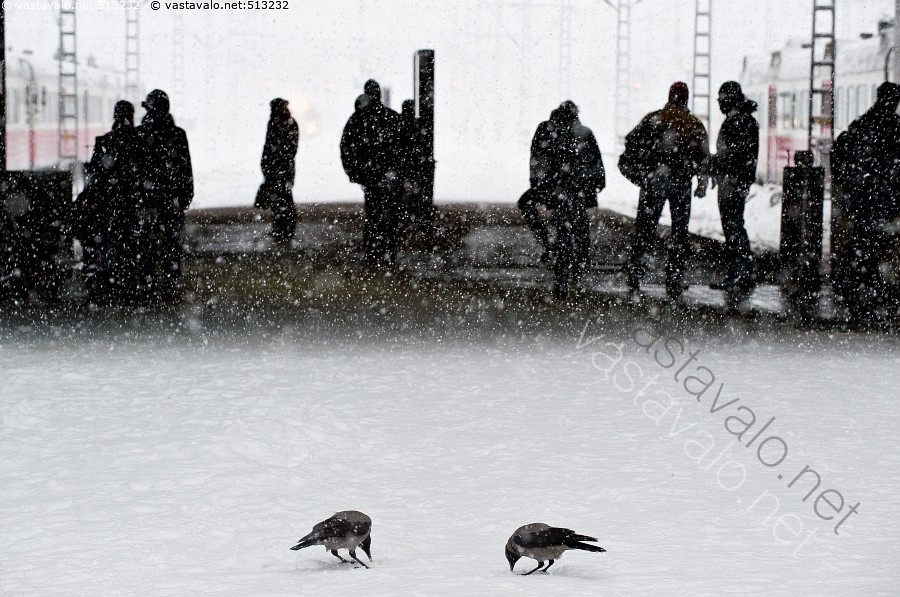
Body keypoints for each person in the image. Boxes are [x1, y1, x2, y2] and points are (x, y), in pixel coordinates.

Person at [626, 82, 710, 300]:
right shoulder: (693, 124)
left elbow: (631, 142)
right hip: (681, 183)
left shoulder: (655, 119)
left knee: (645, 229)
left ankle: (636, 274)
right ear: (686, 99)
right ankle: (674, 279)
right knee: (679, 232)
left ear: (670, 96)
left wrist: (642, 172)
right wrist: (701, 183)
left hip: (654, 181)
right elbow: (703, 156)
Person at [832, 81, 900, 324]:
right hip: (882, 199)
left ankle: (856, 288)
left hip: (864, 199)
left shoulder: (862, 124)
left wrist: (851, 187)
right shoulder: (893, 127)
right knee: (872, 246)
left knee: (865, 244)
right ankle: (864, 290)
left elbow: (840, 154)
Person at [82, 100, 143, 304]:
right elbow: (144, 174)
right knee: (131, 248)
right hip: (131, 205)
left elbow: (95, 174)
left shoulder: (105, 142)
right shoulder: (139, 142)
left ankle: (110, 287)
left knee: (109, 247)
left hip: (108, 205)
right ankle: (129, 290)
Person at [137, 89, 193, 302]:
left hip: (147, 200)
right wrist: (185, 196)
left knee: (147, 244)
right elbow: (186, 168)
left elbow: (137, 169)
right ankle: (169, 285)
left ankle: (149, 284)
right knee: (171, 244)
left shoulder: (141, 134)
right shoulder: (177, 134)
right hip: (171, 198)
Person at [340, 80, 403, 266]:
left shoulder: (358, 118)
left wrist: (354, 172)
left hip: (371, 177)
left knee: (373, 216)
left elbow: (346, 147)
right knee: (390, 217)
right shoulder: (391, 117)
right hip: (387, 176)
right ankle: (388, 252)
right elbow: (403, 148)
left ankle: (374, 253)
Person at [547, 100, 605, 299]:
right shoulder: (585, 134)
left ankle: (561, 279)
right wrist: (593, 194)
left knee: (563, 236)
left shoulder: (556, 136)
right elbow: (595, 165)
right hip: (580, 194)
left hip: (562, 195)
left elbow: (549, 168)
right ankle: (578, 273)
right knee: (581, 235)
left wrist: (549, 197)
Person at [710, 81, 759, 304]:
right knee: (735, 226)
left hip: (731, 182)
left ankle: (738, 274)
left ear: (729, 100)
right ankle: (743, 272)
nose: (719, 104)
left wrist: (715, 164)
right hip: (736, 181)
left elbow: (730, 155)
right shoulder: (746, 120)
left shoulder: (737, 122)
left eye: (721, 100)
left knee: (733, 227)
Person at [518, 107, 564, 262]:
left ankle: (550, 244)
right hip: (562, 186)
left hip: (547, 184)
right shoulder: (574, 133)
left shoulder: (545, 129)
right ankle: (560, 248)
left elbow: (536, 159)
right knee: (563, 216)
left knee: (527, 205)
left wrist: (537, 184)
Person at [260, 98, 300, 243]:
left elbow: (280, 148)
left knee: (282, 200)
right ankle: (283, 228)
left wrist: (270, 164)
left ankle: (284, 229)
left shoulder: (282, 123)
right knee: (281, 200)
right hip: (279, 169)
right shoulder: (281, 122)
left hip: (280, 169)